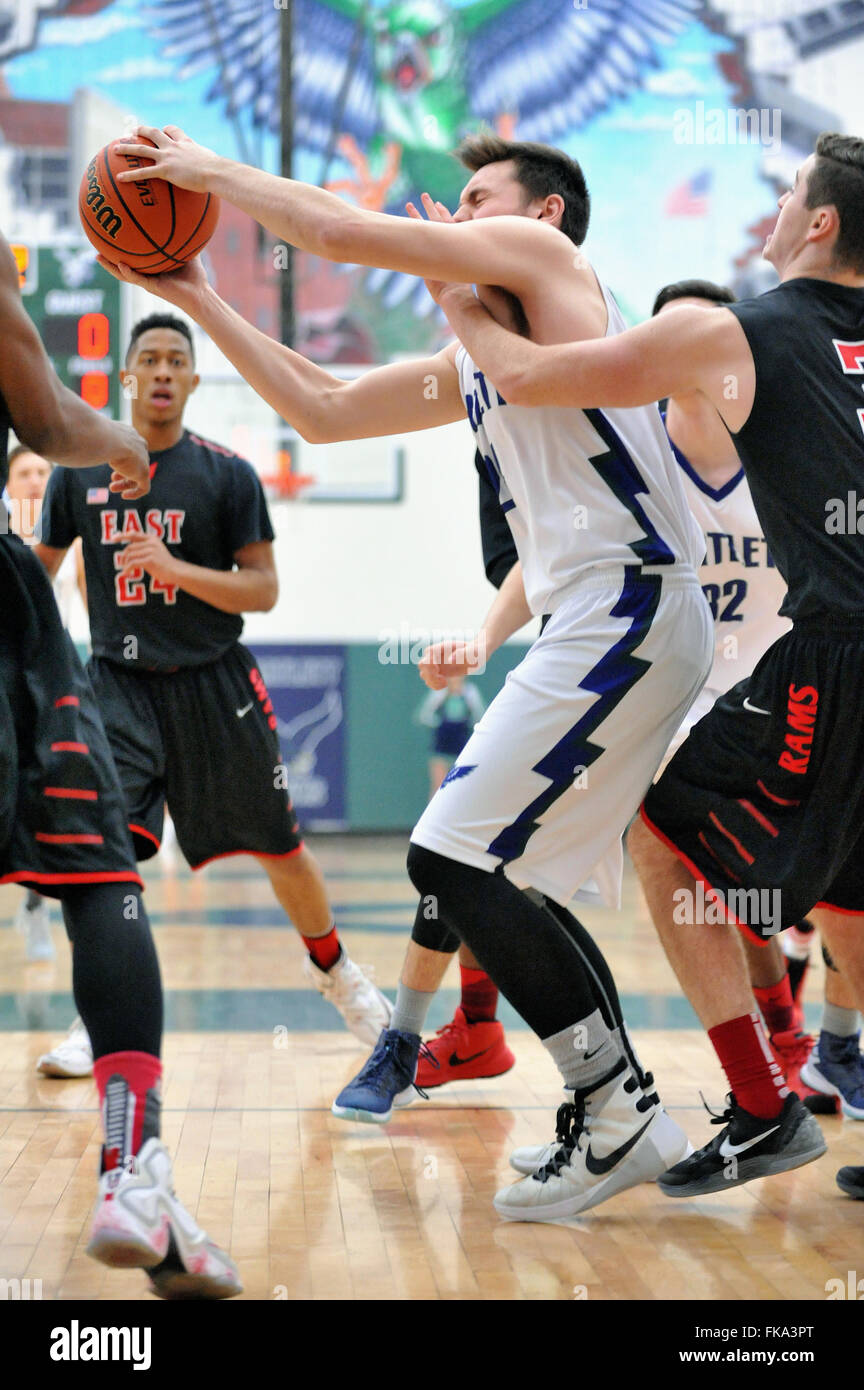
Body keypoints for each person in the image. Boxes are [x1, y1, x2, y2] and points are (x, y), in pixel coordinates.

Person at [103, 124, 716, 1223]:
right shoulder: (476, 350)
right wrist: (196, 291)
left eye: (476, 197)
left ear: (542, 218)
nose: (451, 212)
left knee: (445, 849)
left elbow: (337, 230)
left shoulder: (554, 268)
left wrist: (205, 172)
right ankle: (619, 1107)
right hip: (595, 613)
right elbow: (322, 410)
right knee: (500, 874)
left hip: (629, 599)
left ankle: (615, 1106)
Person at [432, 130, 864, 1200]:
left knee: (668, 839)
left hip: (833, 650)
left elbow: (527, 373)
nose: (773, 198)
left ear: (821, 225)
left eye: (790, 190)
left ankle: (764, 1107)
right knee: (850, 899)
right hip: (788, 653)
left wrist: (452, 283)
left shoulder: (747, 329)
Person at [34, 312, 391, 1079]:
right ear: (124, 378)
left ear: (194, 380)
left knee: (280, 846)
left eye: (176, 361)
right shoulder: (77, 473)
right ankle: (96, 1015)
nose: (162, 371)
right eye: (149, 360)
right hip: (118, 688)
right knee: (103, 862)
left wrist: (175, 570)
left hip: (214, 684)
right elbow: (38, 573)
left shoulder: (226, 474)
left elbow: (261, 591)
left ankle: (334, 971)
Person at [0, 230, 240, 1296]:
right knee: (100, 878)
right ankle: (130, 1166)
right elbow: (48, 415)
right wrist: (120, 448)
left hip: (195, 675)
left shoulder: (229, 483)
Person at [4, 444, 86, 961]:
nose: (35, 480)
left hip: (54, 674)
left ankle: (36, 906)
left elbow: (87, 591)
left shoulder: (68, 533)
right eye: (25, 472)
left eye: (43, 471)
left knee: (50, 793)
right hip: (7, 672)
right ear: (8, 485)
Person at [416, 674, 485, 798]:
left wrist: (464, 724)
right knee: (438, 785)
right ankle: (434, 817)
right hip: (442, 745)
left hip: (461, 745)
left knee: (461, 787)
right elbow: (424, 716)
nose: (455, 678)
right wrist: (441, 723)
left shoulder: (470, 693)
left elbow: (480, 717)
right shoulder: (439, 692)